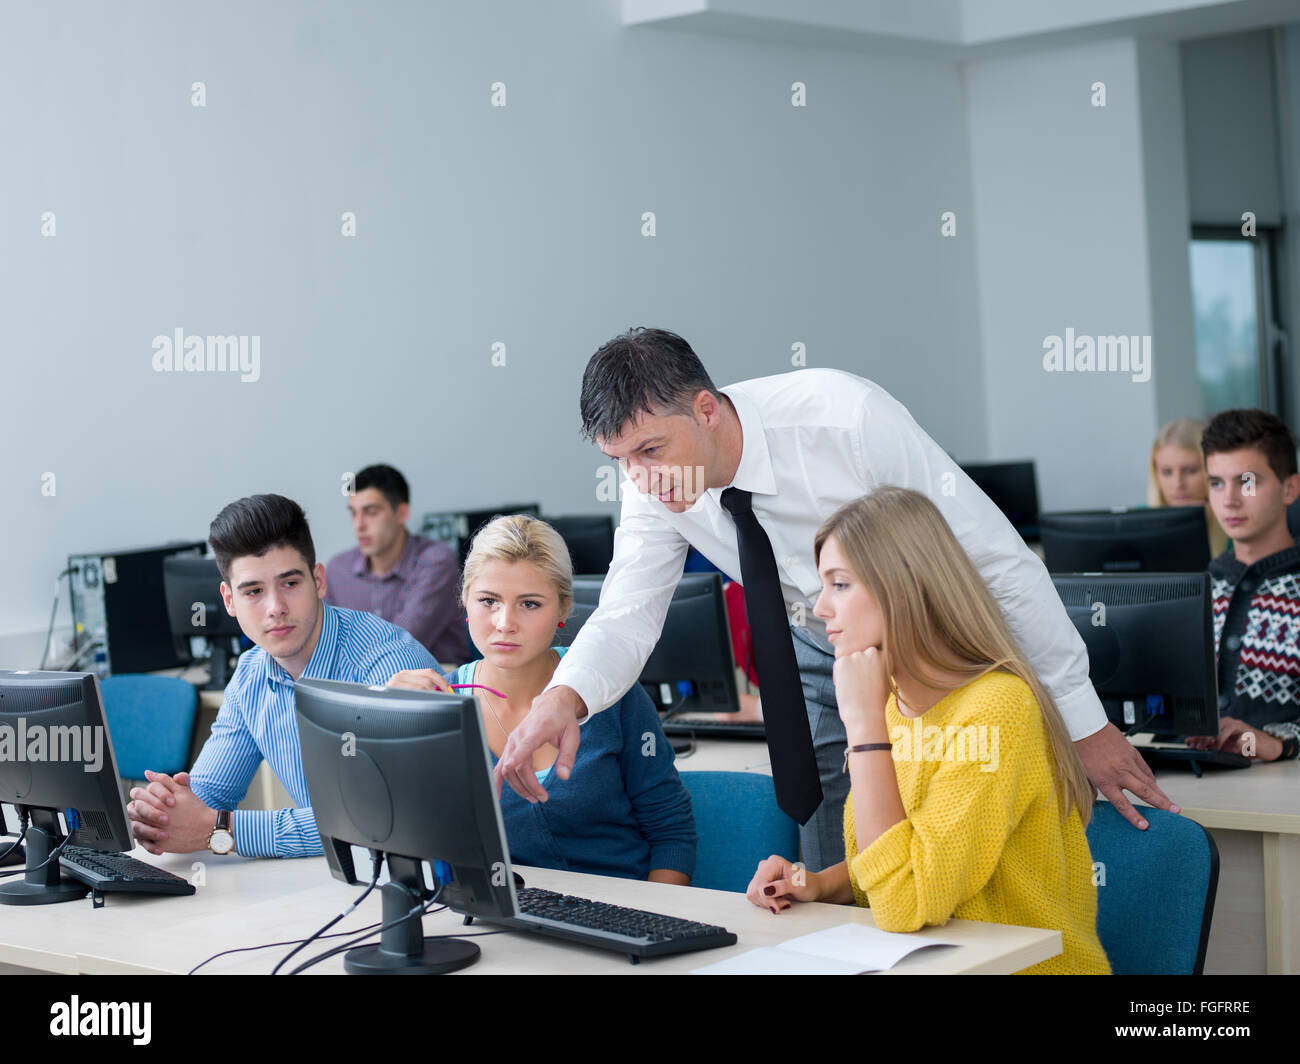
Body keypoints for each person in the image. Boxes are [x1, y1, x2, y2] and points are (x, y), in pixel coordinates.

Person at [494, 328, 1175, 873]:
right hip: (816, 651)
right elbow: (626, 612)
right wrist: (563, 696)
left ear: (705, 408)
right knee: (837, 855)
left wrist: (1083, 720)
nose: (642, 478)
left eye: (650, 449)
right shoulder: (651, 487)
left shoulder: (844, 417)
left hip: (936, 647)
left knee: (955, 848)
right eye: (621, 460)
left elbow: (995, 559)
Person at [745, 488, 1110, 974]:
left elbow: (904, 902)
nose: (821, 610)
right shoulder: (896, 702)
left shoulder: (996, 709)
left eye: (840, 585)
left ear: (904, 588)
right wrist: (817, 882)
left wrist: (865, 728)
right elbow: (897, 857)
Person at [126, 494, 450, 858]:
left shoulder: (387, 665)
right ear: (229, 600)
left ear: (319, 580)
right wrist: (164, 813)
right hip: (333, 886)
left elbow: (384, 821)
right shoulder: (250, 677)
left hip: (431, 887)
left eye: (290, 583)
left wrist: (223, 830)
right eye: (253, 592)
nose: (275, 608)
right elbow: (206, 799)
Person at [388, 515, 695, 882]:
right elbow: (410, 838)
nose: (504, 623)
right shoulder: (439, 705)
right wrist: (392, 730)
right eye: (488, 601)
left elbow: (672, 833)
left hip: (625, 918)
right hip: (504, 926)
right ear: (465, 601)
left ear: (564, 608)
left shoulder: (610, 692)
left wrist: (652, 924)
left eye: (529, 604)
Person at [1187, 410, 1300, 762]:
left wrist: (1279, 742)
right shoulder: (1197, 591)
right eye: (1217, 483)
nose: (1230, 499)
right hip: (1197, 783)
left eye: (1247, 482)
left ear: (1289, 488)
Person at [325, 464, 470, 664]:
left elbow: (402, 644)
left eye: (371, 512)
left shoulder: (436, 561)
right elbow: (326, 644)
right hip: (362, 687)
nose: (359, 525)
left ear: (401, 514)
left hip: (437, 686)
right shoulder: (338, 570)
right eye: (353, 513)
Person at [1148, 417, 1229, 557]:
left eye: (1190, 471)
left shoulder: (1236, 524)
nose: (1178, 484)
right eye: (1167, 472)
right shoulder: (1134, 523)